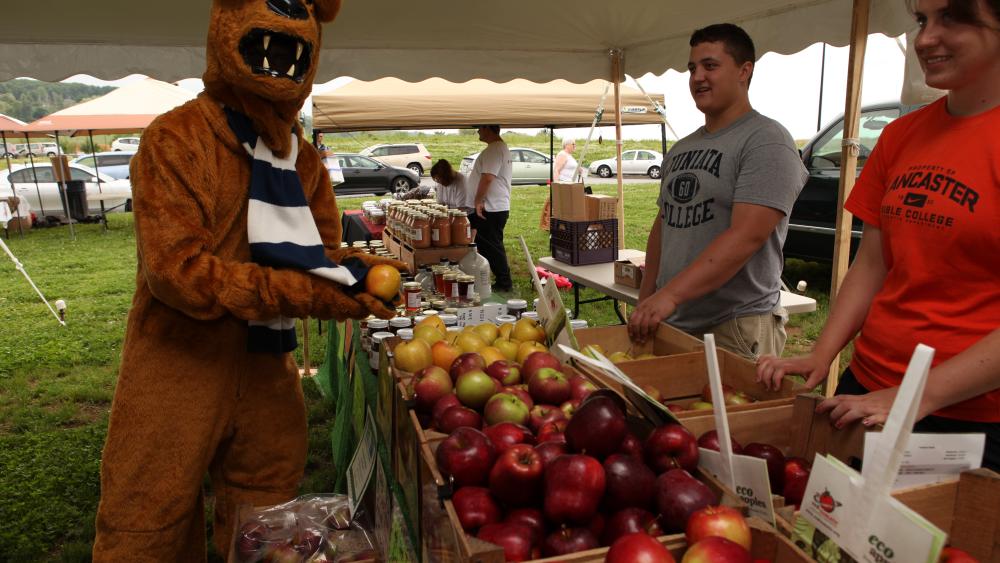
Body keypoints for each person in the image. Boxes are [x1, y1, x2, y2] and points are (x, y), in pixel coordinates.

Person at [757, 0, 1000, 471]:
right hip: (866, 389)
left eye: (952, 18)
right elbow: (872, 264)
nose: (924, 39)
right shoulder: (901, 135)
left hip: (966, 417)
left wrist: (916, 396)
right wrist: (823, 353)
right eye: (922, 20)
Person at [627, 23, 807, 360]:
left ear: (744, 71)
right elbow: (663, 226)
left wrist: (670, 295)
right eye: (692, 68)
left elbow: (746, 236)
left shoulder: (766, 141)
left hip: (735, 327)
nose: (697, 77)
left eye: (710, 66)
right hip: (675, 322)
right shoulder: (681, 148)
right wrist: (647, 298)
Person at [467, 125, 514, 292]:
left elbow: (488, 177)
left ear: (488, 128)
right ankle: (499, 279)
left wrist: (478, 200)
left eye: (480, 128)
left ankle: (504, 282)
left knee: (492, 246)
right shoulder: (498, 148)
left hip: (491, 207)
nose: (478, 131)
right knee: (489, 245)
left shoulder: (494, 149)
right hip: (493, 206)